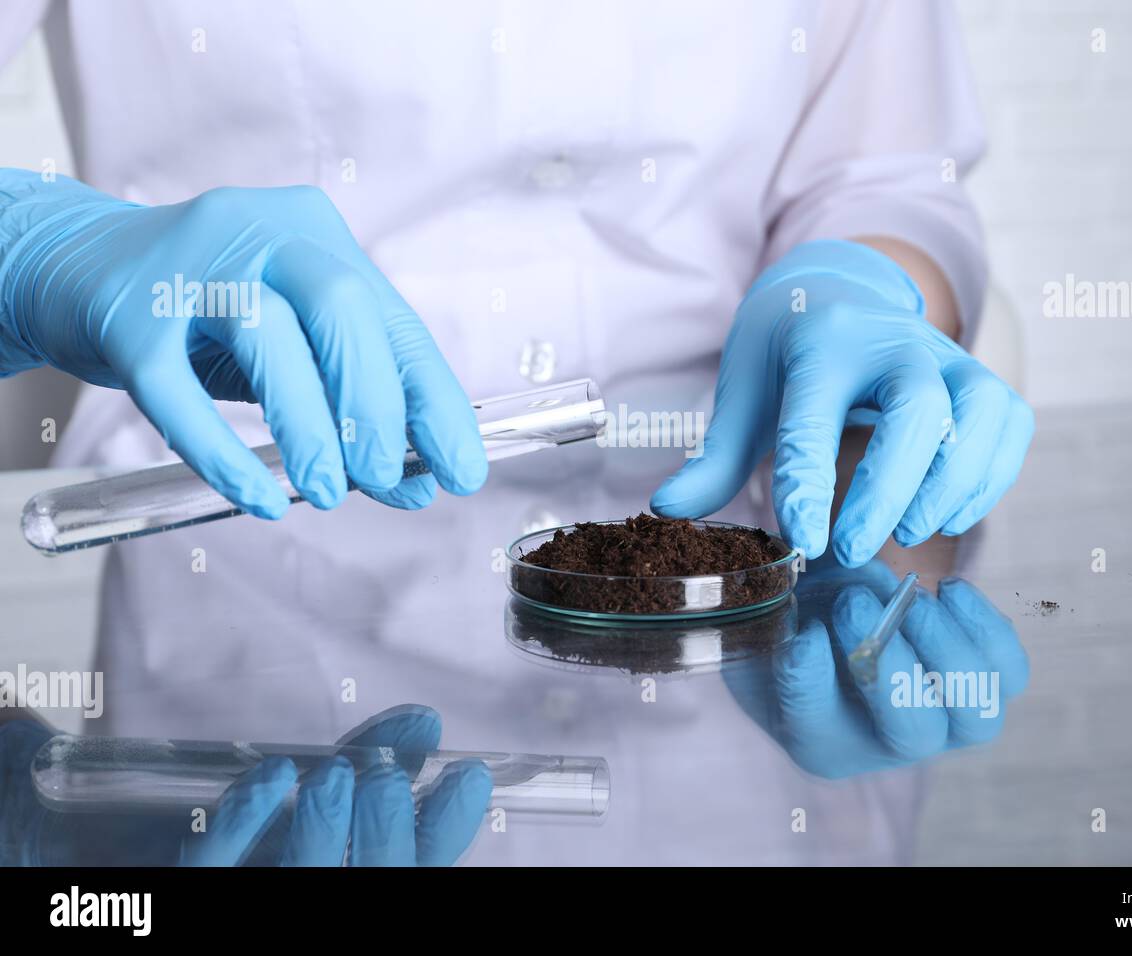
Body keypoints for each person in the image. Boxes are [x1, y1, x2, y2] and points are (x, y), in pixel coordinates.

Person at [0, 1, 1032, 864]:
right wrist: (35, 245)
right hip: (238, 499)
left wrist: (863, 286)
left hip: (737, 554)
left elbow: (881, 167)